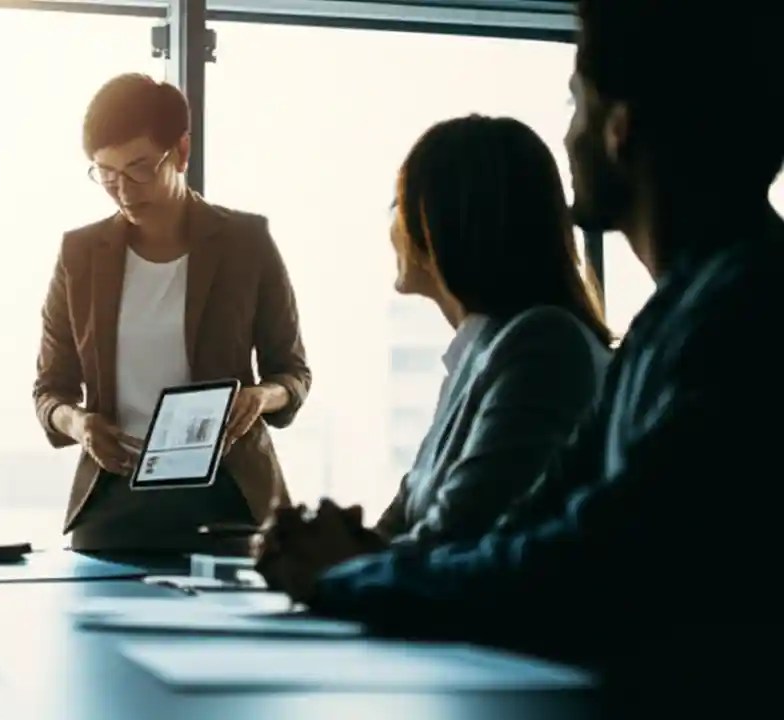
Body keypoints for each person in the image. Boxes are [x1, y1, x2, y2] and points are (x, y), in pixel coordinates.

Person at [256, 0, 784, 679]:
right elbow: (522, 534)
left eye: (575, 104)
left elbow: (578, 561)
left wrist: (344, 574)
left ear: (620, 129)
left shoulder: (741, 315)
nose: (566, 136)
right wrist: (354, 565)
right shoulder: (677, 315)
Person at [34, 74, 311, 554]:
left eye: (139, 168)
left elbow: (293, 373)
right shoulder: (80, 254)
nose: (123, 190)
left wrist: (259, 397)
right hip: (115, 497)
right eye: (106, 173)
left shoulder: (246, 242)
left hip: (229, 493)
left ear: (181, 152)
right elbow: (49, 390)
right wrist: (78, 424)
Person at [370, 115, 611, 549]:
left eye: (398, 204)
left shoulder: (543, 346)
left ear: (438, 220)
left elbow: (458, 536)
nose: (391, 225)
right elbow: (398, 525)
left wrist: (331, 552)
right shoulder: (477, 352)